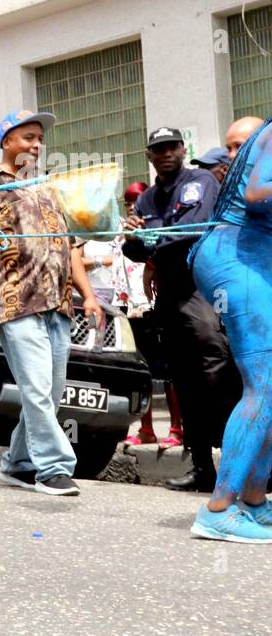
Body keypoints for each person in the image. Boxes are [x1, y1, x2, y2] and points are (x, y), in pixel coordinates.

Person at [0, 110, 104, 496]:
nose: (37, 145)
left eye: (39, 138)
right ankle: (53, 468)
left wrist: (89, 296)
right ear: (7, 141)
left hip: (59, 304)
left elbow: (70, 247)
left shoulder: (51, 188)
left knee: (49, 393)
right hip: (14, 304)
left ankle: (18, 463)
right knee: (38, 389)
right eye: (28, 137)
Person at [123, 127, 240, 492]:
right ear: (149, 155)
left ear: (182, 148)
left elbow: (194, 229)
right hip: (169, 294)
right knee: (183, 379)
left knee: (215, 363)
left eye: (172, 147)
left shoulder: (200, 181)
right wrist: (133, 236)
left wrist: (151, 237)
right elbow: (135, 251)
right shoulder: (147, 198)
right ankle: (202, 467)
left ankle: (236, 458)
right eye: (158, 149)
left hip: (202, 286)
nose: (166, 154)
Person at [187, 115, 272, 542]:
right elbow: (258, 194)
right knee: (265, 383)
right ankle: (217, 511)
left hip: (247, 256)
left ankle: (254, 501)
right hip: (236, 256)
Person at [117, 181, 183, 448]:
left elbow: (159, 258)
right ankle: (146, 429)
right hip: (130, 309)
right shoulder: (125, 232)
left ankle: (177, 428)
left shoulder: (156, 227)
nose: (132, 206)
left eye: (136, 200)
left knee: (168, 372)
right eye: (128, 202)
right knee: (141, 371)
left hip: (154, 307)